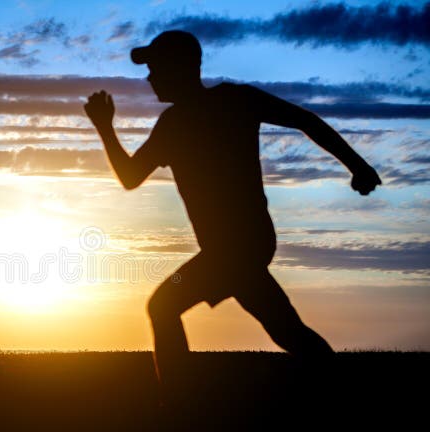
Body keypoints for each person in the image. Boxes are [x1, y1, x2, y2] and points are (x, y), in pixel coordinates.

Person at [83, 30, 382, 398]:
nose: (149, 77)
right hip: (243, 249)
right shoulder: (179, 123)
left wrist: (359, 166)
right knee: (285, 329)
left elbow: (305, 120)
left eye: (155, 68)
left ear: (180, 68)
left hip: (235, 251)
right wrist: (357, 166)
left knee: (164, 306)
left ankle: (178, 410)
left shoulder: (224, 105)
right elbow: (131, 177)